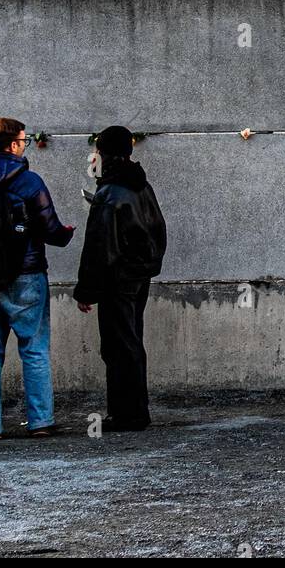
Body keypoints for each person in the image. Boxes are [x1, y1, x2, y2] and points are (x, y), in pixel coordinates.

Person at [0, 117, 74, 440]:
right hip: (25, 274)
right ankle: (41, 421)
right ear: (14, 144)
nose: (24, 145)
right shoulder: (29, 181)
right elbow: (51, 230)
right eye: (24, 140)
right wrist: (66, 234)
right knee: (33, 348)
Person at [75, 126, 167, 432]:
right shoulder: (141, 185)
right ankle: (134, 411)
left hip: (118, 279)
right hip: (138, 275)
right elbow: (157, 229)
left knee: (118, 346)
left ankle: (128, 414)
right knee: (130, 341)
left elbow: (98, 247)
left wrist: (86, 290)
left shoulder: (110, 192)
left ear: (103, 153)